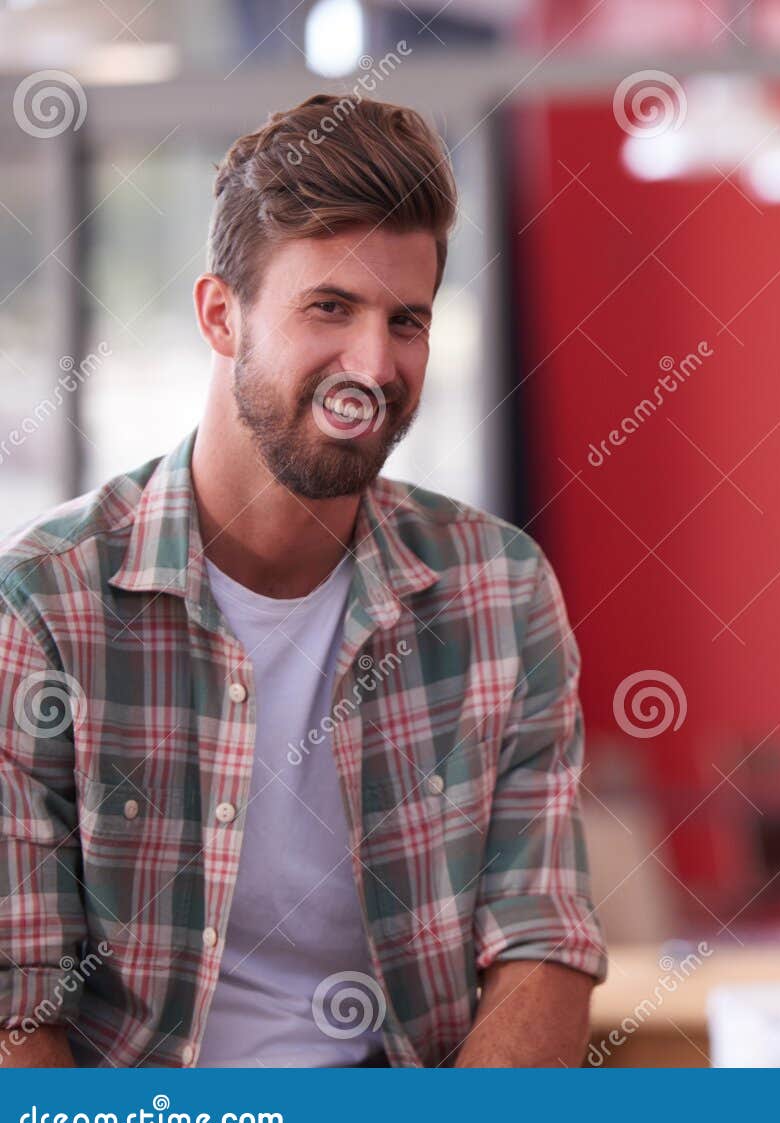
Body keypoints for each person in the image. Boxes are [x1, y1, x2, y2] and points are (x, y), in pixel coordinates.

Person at [0, 95, 605, 1068]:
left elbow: (543, 942)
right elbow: (17, 1008)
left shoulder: (500, 591)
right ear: (220, 314)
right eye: (330, 307)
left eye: (406, 321)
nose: (373, 366)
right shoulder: (41, 607)